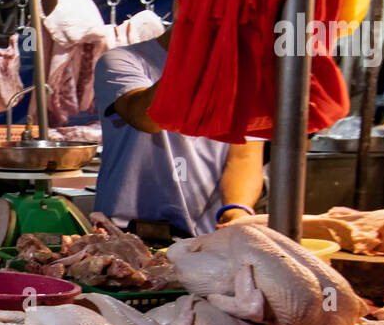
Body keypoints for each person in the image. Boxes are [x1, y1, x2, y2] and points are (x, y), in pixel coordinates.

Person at [92, 16, 265, 237]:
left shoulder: (241, 72)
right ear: (183, 4)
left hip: (205, 236)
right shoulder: (122, 60)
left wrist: (237, 208)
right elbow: (147, 119)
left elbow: (243, 155)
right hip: (126, 233)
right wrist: (197, 51)